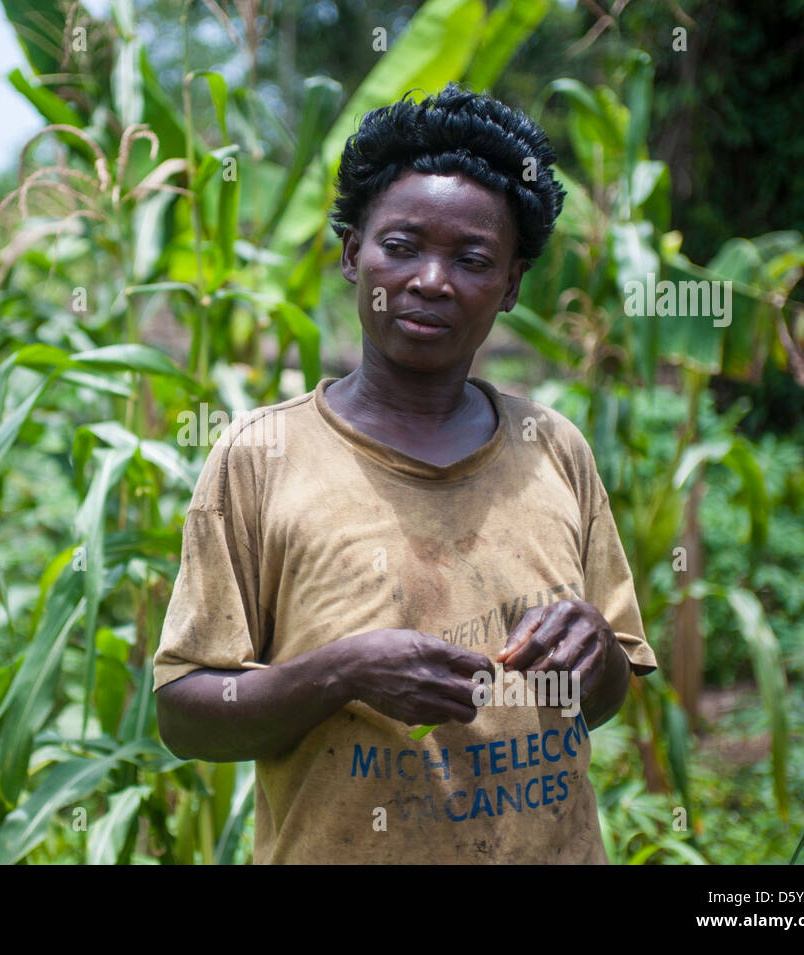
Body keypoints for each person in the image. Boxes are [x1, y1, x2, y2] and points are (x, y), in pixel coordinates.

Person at [152, 83, 657, 864]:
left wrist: (597, 651)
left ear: (513, 284)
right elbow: (186, 715)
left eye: (473, 259)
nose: (430, 280)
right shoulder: (259, 457)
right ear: (354, 253)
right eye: (402, 245)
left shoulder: (554, 448)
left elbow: (609, 693)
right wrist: (342, 671)